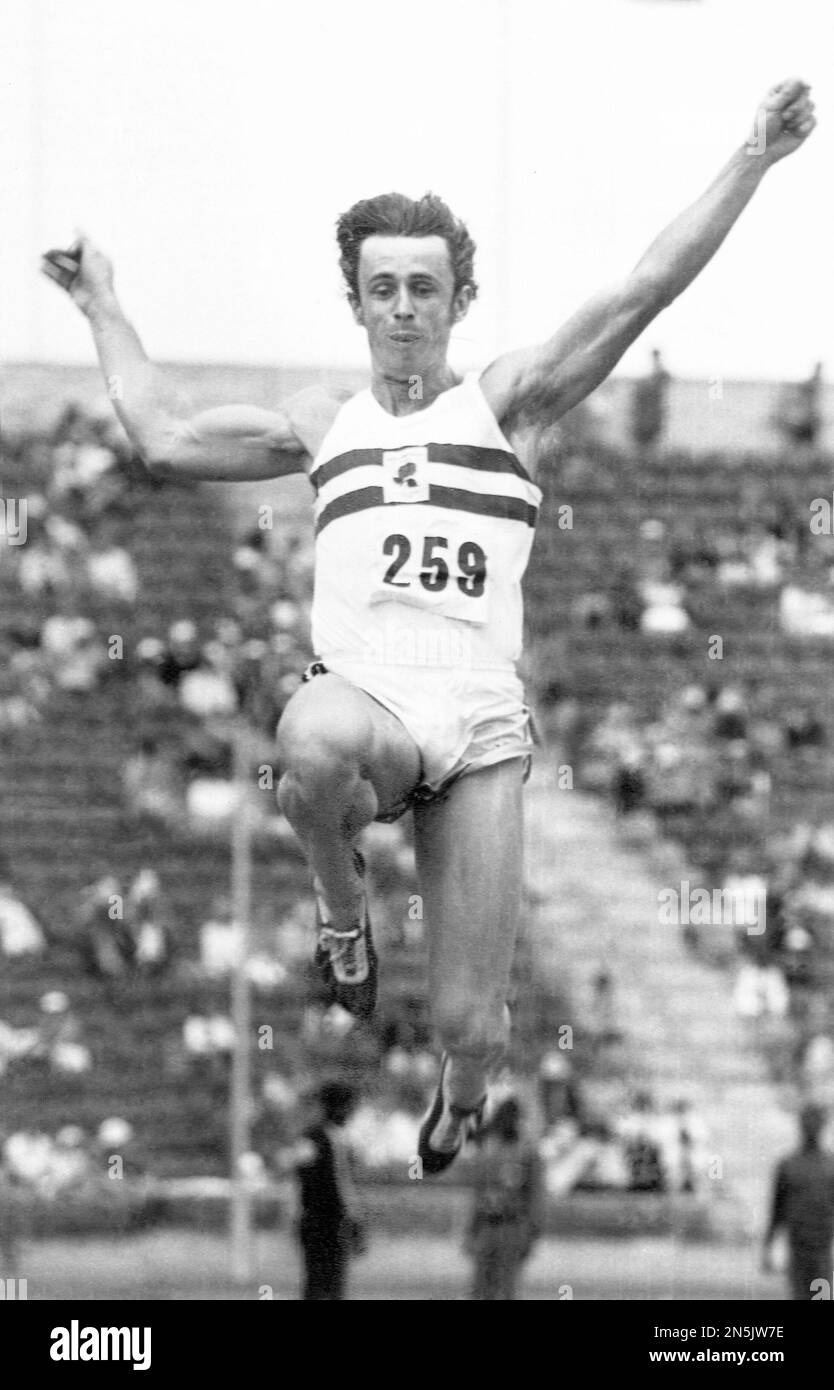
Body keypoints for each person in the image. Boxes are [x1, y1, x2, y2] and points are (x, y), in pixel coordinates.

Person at [41, 78, 816, 1173]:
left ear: (457, 301)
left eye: (425, 287)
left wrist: (752, 155)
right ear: (357, 304)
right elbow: (161, 436)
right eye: (384, 288)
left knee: (471, 1023)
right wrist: (101, 303)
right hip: (369, 700)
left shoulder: (509, 404)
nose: (404, 306)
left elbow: (644, 287)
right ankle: (340, 917)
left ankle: (460, 1096)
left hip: (480, 725)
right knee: (306, 738)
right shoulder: (325, 423)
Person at [465, 1096, 544, 1300]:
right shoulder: (489, 1150)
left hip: (513, 1225)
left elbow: (535, 1196)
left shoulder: (527, 1153)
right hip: (488, 1224)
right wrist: (470, 1230)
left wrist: (532, 1231)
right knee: (481, 1289)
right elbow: (478, 1193)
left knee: (506, 1288)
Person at [294, 1080, 365, 1301]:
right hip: (326, 1220)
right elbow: (339, 1185)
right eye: (350, 1106)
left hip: (320, 1218)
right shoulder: (326, 1138)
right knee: (325, 1281)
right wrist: (354, 1218)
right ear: (340, 1107)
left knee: (323, 1281)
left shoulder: (315, 1137)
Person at [763, 1103, 834, 1300]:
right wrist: (768, 1246)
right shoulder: (788, 1165)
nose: (811, 1126)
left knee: (821, 1297)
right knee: (800, 1297)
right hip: (797, 1245)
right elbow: (776, 1208)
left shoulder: (830, 1166)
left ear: (823, 1126)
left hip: (822, 1247)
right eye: (807, 1122)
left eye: (816, 1122)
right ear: (801, 1125)